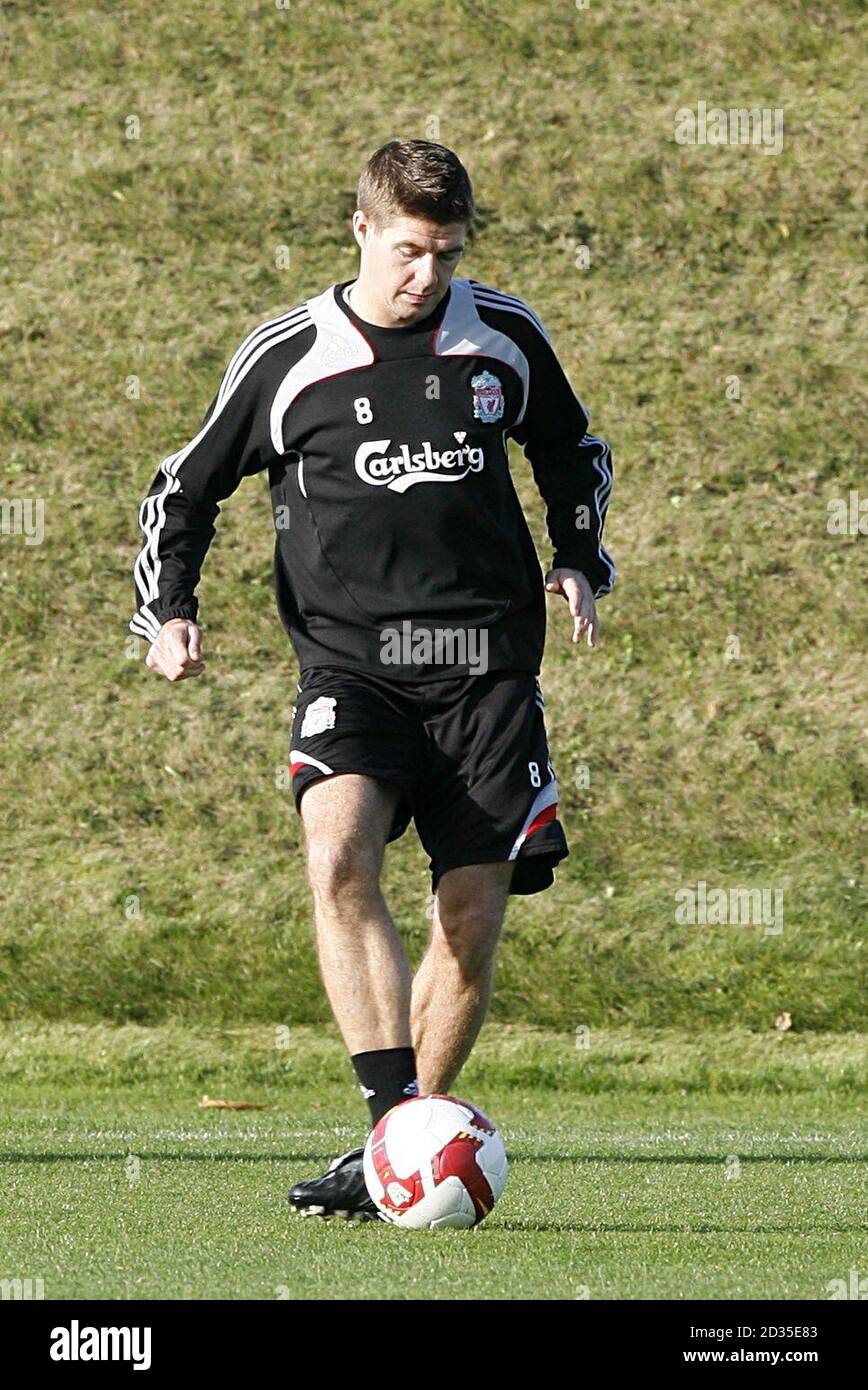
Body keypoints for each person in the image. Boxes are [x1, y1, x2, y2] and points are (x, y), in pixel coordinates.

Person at [130, 139, 615, 1220]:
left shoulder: (501, 338)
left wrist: (578, 559)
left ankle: (395, 1146)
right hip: (354, 662)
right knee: (338, 853)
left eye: (446, 252)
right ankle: (394, 1122)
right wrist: (171, 610)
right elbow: (185, 486)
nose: (427, 274)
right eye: (408, 250)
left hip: (487, 670)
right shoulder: (290, 355)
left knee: (471, 913)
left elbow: (573, 450)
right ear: (361, 230)